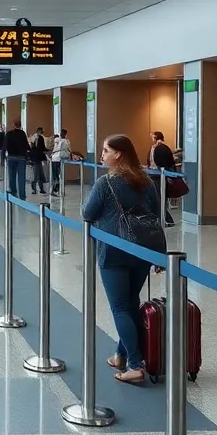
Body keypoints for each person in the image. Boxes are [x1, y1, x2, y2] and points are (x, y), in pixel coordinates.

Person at [82, 134, 161, 385]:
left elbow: (87, 212)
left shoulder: (105, 183)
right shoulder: (146, 181)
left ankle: (135, 365)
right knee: (130, 302)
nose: (102, 154)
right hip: (141, 252)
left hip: (113, 252)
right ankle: (120, 354)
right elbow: (156, 216)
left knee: (119, 307)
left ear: (118, 154)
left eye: (106, 150)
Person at [149, 131, 176, 227]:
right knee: (156, 197)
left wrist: (168, 175)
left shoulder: (162, 148)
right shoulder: (155, 147)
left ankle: (166, 219)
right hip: (154, 175)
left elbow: (167, 163)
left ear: (156, 136)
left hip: (160, 175)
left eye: (152, 136)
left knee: (159, 198)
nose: (151, 138)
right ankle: (164, 219)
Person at [4, 120, 30, 199]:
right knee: (21, 177)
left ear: (13, 125)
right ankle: (22, 195)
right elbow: (26, 145)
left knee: (12, 176)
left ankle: (13, 193)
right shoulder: (22, 134)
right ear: (20, 126)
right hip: (21, 158)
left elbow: (5, 145)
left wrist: (4, 156)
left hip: (11, 157)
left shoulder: (8, 134)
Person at [51, 128, 72, 196]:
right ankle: (56, 190)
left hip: (54, 158)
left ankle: (55, 190)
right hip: (60, 159)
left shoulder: (56, 139)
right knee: (60, 175)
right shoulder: (66, 141)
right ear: (65, 134)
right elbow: (69, 150)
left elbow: (54, 147)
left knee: (55, 175)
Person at [29, 126, 49, 195]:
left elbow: (43, 147)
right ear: (38, 131)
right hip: (35, 158)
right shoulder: (33, 138)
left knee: (41, 174)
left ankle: (41, 189)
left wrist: (48, 150)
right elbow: (31, 147)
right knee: (35, 175)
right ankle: (34, 190)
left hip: (39, 158)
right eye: (41, 131)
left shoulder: (41, 138)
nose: (41, 133)